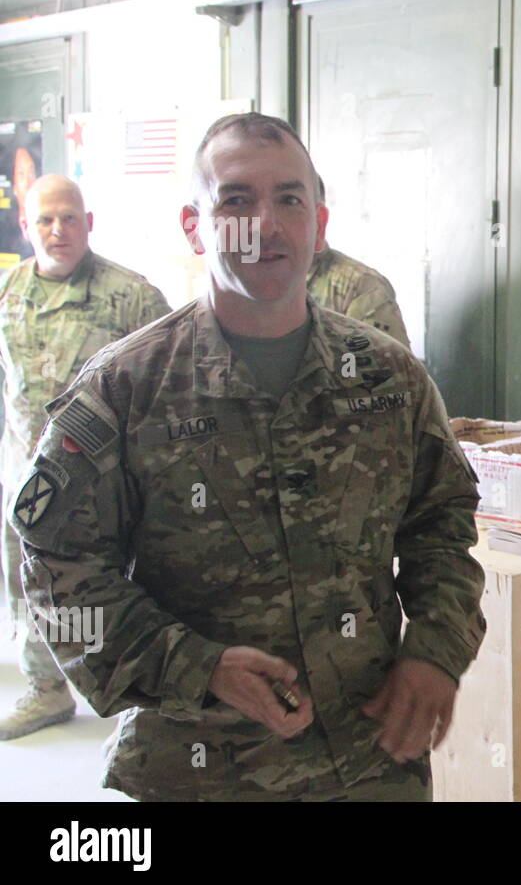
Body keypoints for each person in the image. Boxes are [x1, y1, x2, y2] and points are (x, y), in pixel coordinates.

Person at [12, 113, 486, 800]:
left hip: (369, 760)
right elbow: (58, 569)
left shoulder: (387, 378)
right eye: (236, 200)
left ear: (318, 224)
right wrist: (195, 666)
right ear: (193, 226)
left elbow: (442, 524)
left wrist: (436, 650)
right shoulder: (127, 390)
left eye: (288, 199)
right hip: (198, 767)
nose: (265, 224)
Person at [0, 175, 170, 740]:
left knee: (119, 585)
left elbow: (168, 382)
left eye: (69, 218)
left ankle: (131, 691)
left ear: (89, 223)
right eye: (45, 220)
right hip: (27, 480)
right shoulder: (6, 294)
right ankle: (46, 690)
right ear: (25, 227)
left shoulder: (132, 296)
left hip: (106, 484)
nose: (58, 230)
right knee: (29, 586)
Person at [307, 177, 410, 349]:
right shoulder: (254, 286)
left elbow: (384, 371)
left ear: (319, 221)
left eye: (290, 202)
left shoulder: (362, 286)